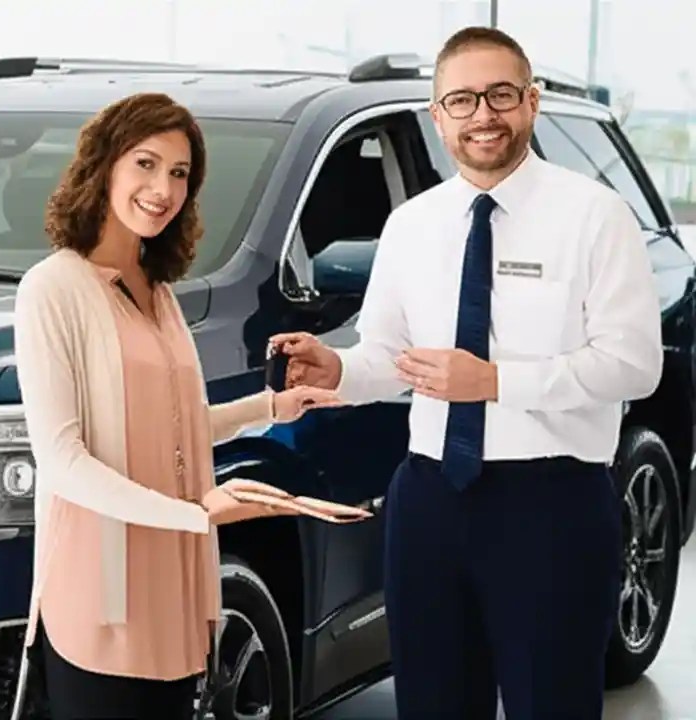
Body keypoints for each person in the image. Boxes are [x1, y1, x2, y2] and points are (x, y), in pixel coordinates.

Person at [271, 27, 663, 720]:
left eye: (500, 95)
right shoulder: (411, 225)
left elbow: (634, 364)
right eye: (462, 100)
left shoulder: (595, 217)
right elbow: (389, 357)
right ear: (438, 115)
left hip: (553, 505)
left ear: (531, 102)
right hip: (430, 503)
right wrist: (337, 370)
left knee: (552, 705)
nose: (483, 114)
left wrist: (495, 382)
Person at [11, 92, 365, 719]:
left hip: (175, 582)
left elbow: (166, 428)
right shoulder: (52, 289)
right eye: (146, 164)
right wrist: (196, 513)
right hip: (102, 592)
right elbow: (63, 460)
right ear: (105, 165)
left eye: (179, 173)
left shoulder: (158, 290)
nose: (163, 189)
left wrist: (270, 408)